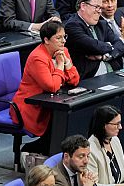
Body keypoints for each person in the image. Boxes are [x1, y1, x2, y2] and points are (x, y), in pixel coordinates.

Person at [11, 21, 80, 155]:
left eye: (64, 37)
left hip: (50, 102)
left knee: (70, 115)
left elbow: (75, 80)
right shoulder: (38, 57)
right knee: (60, 119)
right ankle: (33, 150)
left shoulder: (63, 51)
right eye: (58, 38)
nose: (63, 41)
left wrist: (67, 63)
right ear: (46, 40)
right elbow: (52, 86)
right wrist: (60, 66)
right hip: (30, 107)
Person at [65, 0, 124, 79]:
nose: (99, 11)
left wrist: (104, 56)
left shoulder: (102, 24)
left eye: (100, 8)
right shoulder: (72, 26)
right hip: (90, 77)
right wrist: (110, 46)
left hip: (114, 72)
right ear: (83, 6)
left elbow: (121, 46)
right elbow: (94, 46)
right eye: (96, 7)